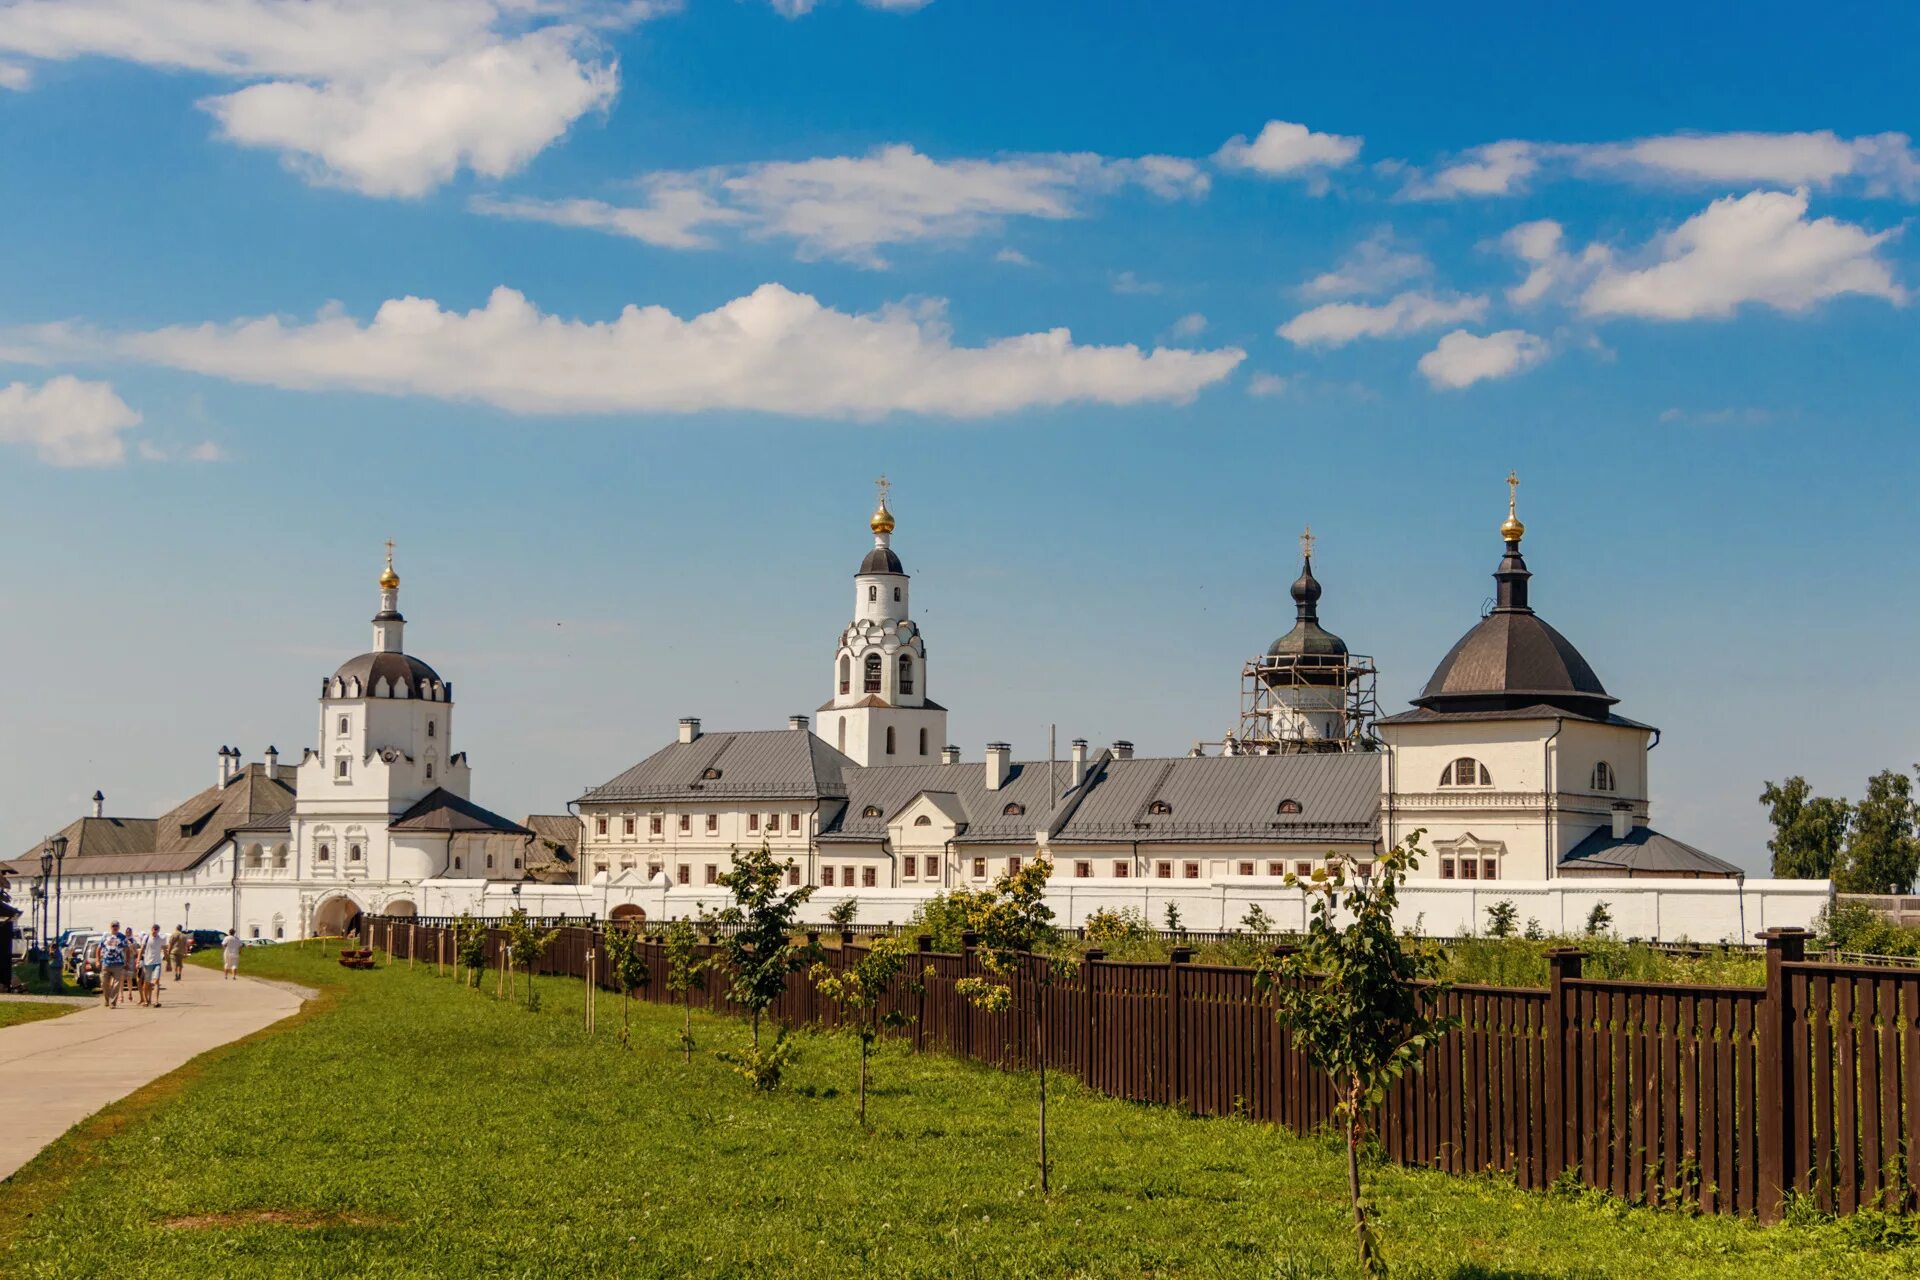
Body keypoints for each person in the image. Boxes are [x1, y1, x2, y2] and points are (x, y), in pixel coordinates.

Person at [98, 922, 127, 1008]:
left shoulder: (122, 937)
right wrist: (97, 960)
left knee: (116, 983)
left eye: (116, 926)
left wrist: (127, 961)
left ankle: (113, 1002)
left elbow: (126, 949)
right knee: (104, 983)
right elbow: (99, 948)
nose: (115, 927)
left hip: (118, 963)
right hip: (106, 963)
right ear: (110, 927)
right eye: (113, 926)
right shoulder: (105, 936)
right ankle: (107, 999)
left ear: (119, 927)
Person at [140, 925, 166, 1007]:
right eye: (153, 929)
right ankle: (145, 1000)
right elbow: (142, 949)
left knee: (156, 982)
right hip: (147, 963)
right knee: (147, 983)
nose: (154, 931)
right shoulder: (146, 938)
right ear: (151, 930)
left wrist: (168, 962)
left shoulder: (161, 939)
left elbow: (164, 949)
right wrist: (138, 960)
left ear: (158, 931)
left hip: (157, 962)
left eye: (156, 930)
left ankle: (156, 1001)